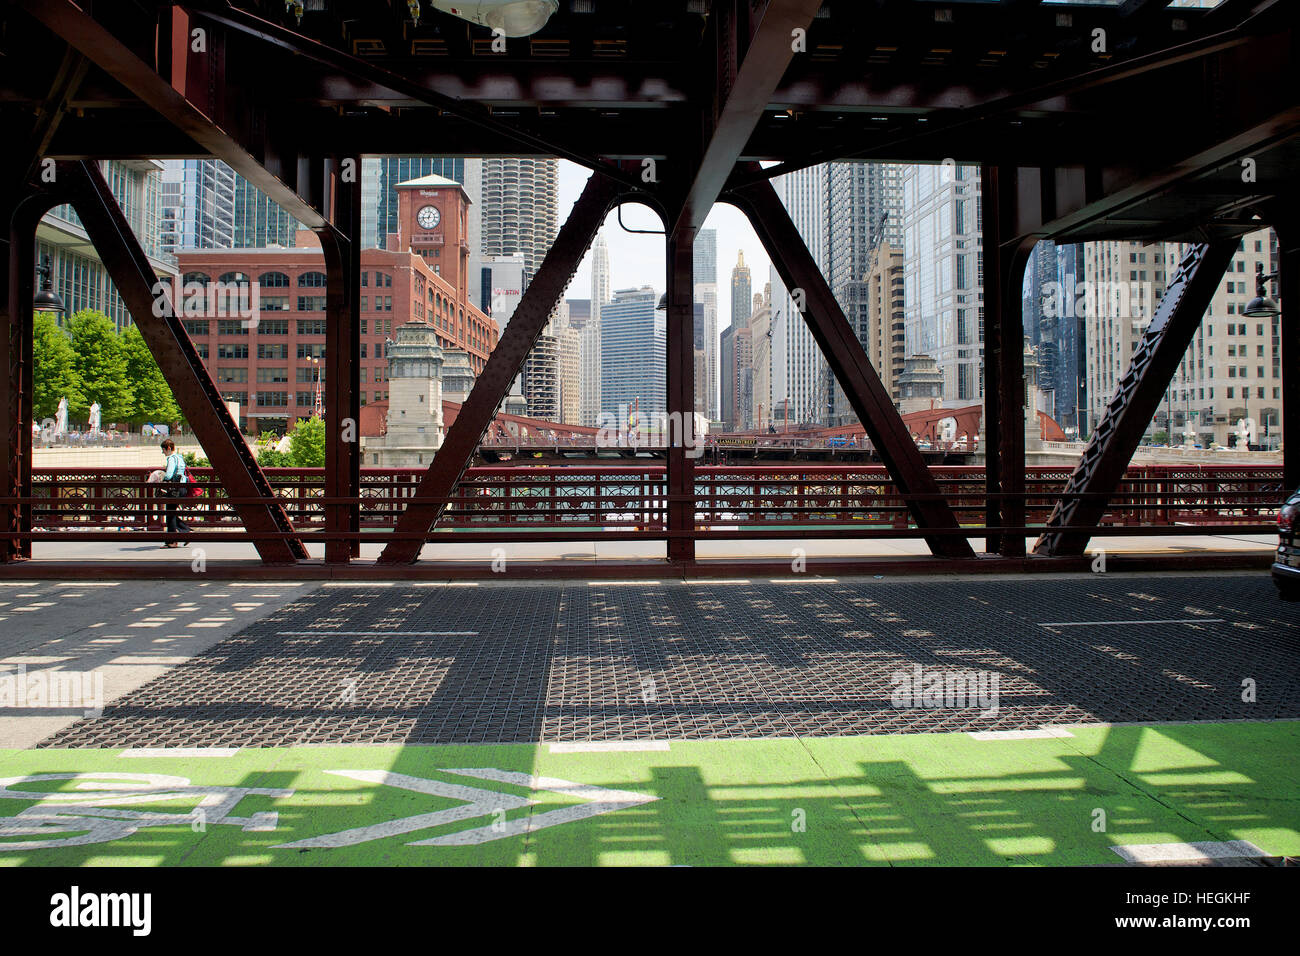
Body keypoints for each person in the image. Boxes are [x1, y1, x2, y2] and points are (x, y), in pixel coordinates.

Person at [159, 439, 191, 547]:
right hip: (182, 487)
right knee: (171, 513)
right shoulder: (180, 457)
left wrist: (162, 478)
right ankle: (185, 531)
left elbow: (168, 475)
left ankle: (173, 541)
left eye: (163, 450)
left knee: (170, 513)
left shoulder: (172, 459)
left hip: (174, 489)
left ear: (168, 448)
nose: (163, 453)